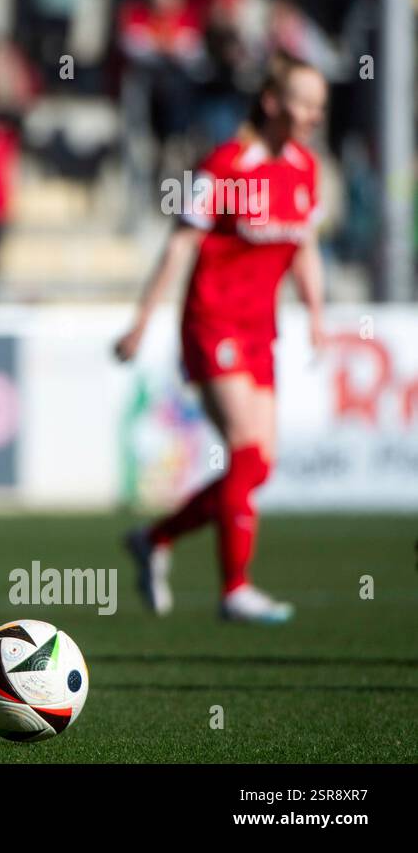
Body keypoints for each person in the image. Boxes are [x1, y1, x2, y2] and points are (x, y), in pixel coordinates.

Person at [115, 54, 327, 624]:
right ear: (273, 102)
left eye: (320, 106)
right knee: (245, 450)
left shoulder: (306, 168)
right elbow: (180, 244)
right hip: (212, 322)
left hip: (262, 329)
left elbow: (303, 246)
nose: (314, 115)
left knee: (259, 465)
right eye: (305, 103)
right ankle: (235, 589)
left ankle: (154, 538)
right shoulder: (227, 166)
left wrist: (319, 315)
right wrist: (142, 320)